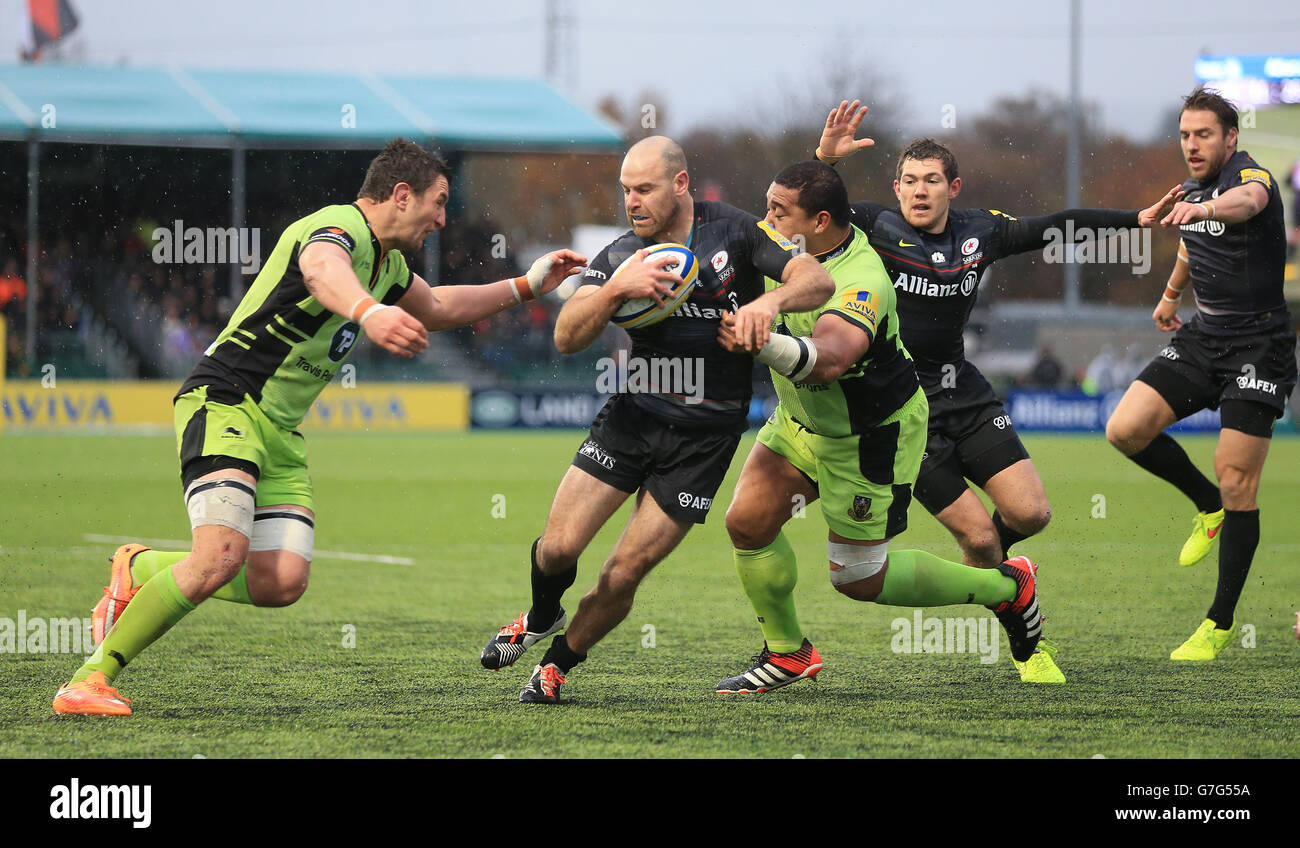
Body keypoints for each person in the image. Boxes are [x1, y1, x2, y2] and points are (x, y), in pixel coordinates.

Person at [52, 138, 587, 715]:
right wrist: (370, 312)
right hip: (226, 400)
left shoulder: (389, 265)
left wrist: (528, 286)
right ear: (400, 195)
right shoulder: (341, 227)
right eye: (437, 202)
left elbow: (438, 307)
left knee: (281, 580)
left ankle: (140, 566)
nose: (441, 217)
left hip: (279, 431)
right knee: (220, 555)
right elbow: (319, 269)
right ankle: (89, 679)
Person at [813, 100, 1182, 682]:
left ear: (952, 187)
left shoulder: (979, 232)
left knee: (1030, 513)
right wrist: (823, 159)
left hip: (967, 395)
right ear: (896, 186)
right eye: (909, 180)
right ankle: (1028, 646)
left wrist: (1132, 220)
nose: (919, 190)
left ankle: (996, 574)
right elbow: (798, 211)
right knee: (983, 541)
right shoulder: (870, 226)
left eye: (932, 180)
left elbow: (1055, 226)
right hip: (904, 412)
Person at [478, 136, 836, 704]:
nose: (632, 201)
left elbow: (816, 279)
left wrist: (767, 305)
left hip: (704, 439)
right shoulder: (623, 253)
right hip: (634, 417)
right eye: (625, 190)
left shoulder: (735, 231)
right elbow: (567, 336)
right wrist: (615, 290)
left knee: (624, 573)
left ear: (681, 184)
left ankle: (558, 664)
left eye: (644, 189)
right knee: (558, 550)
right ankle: (543, 612)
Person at [715, 161, 1045, 692]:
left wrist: (761, 341)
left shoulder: (863, 279)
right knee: (747, 524)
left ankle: (1006, 586)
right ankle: (788, 652)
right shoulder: (786, 249)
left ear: (820, 222)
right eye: (767, 206)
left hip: (870, 434)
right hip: (800, 420)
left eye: (779, 212)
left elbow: (829, 359)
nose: (766, 220)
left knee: (857, 578)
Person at [1105, 87, 1295, 661]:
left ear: (1230, 137)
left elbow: (1246, 205)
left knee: (1238, 476)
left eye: (1204, 134)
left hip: (1259, 343)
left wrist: (1206, 208)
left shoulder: (1251, 177)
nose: (1192, 144)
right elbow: (1191, 242)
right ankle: (1205, 506)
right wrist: (1169, 295)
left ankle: (1218, 623)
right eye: (1186, 134)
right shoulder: (1190, 190)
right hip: (1203, 337)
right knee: (1125, 429)